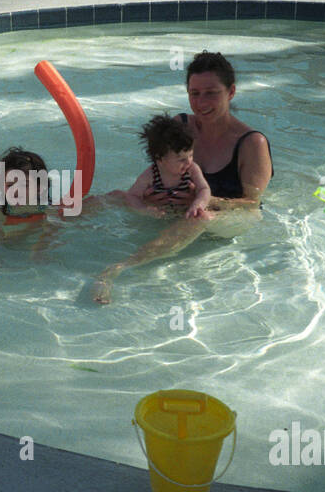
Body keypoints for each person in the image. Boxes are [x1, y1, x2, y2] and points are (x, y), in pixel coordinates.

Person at [91, 51, 273, 304]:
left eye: (211, 92)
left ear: (231, 92)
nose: (201, 102)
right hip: (181, 207)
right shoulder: (182, 125)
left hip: (228, 215)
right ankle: (48, 222)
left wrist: (201, 201)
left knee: (200, 218)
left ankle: (116, 269)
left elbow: (252, 203)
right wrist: (148, 197)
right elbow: (161, 171)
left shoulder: (252, 143)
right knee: (116, 196)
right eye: (194, 93)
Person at [113, 114, 213, 221]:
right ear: (160, 160)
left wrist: (197, 205)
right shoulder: (151, 174)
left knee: (205, 217)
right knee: (115, 196)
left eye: (191, 155)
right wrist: (144, 209)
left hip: (186, 214)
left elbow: (204, 189)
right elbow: (132, 196)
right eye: (181, 159)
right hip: (160, 215)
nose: (189, 161)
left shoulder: (192, 169)